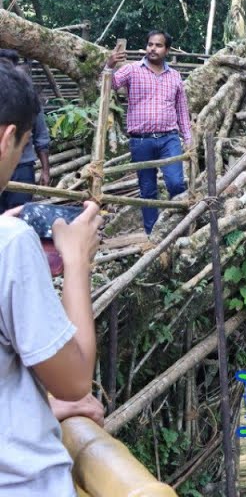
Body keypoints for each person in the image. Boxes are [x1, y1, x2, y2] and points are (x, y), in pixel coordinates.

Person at [0, 60, 104, 494]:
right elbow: (75, 379)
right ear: (7, 138)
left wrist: (39, 407)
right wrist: (76, 259)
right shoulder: (11, 244)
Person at [105, 31, 193, 235]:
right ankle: (152, 234)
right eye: (150, 44)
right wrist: (109, 66)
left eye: (158, 45)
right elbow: (107, 87)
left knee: (176, 183)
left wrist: (188, 139)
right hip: (141, 141)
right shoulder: (132, 70)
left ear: (167, 50)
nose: (153, 48)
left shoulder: (175, 76)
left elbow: (182, 110)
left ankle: (177, 228)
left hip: (169, 138)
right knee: (147, 189)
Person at [0, 50, 51, 211]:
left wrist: (45, 170)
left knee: (17, 212)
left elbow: (41, 138)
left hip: (22, 168)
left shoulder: (28, 100)